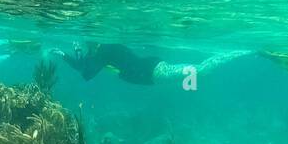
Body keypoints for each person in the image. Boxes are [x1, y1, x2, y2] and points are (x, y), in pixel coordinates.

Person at [56, 42, 266, 86]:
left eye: (87, 47)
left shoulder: (102, 53)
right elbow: (87, 67)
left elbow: (84, 71)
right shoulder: (106, 50)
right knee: (200, 72)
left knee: (201, 70)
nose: (88, 51)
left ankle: (247, 51)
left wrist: (64, 54)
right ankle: (245, 52)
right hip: (152, 67)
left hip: (152, 72)